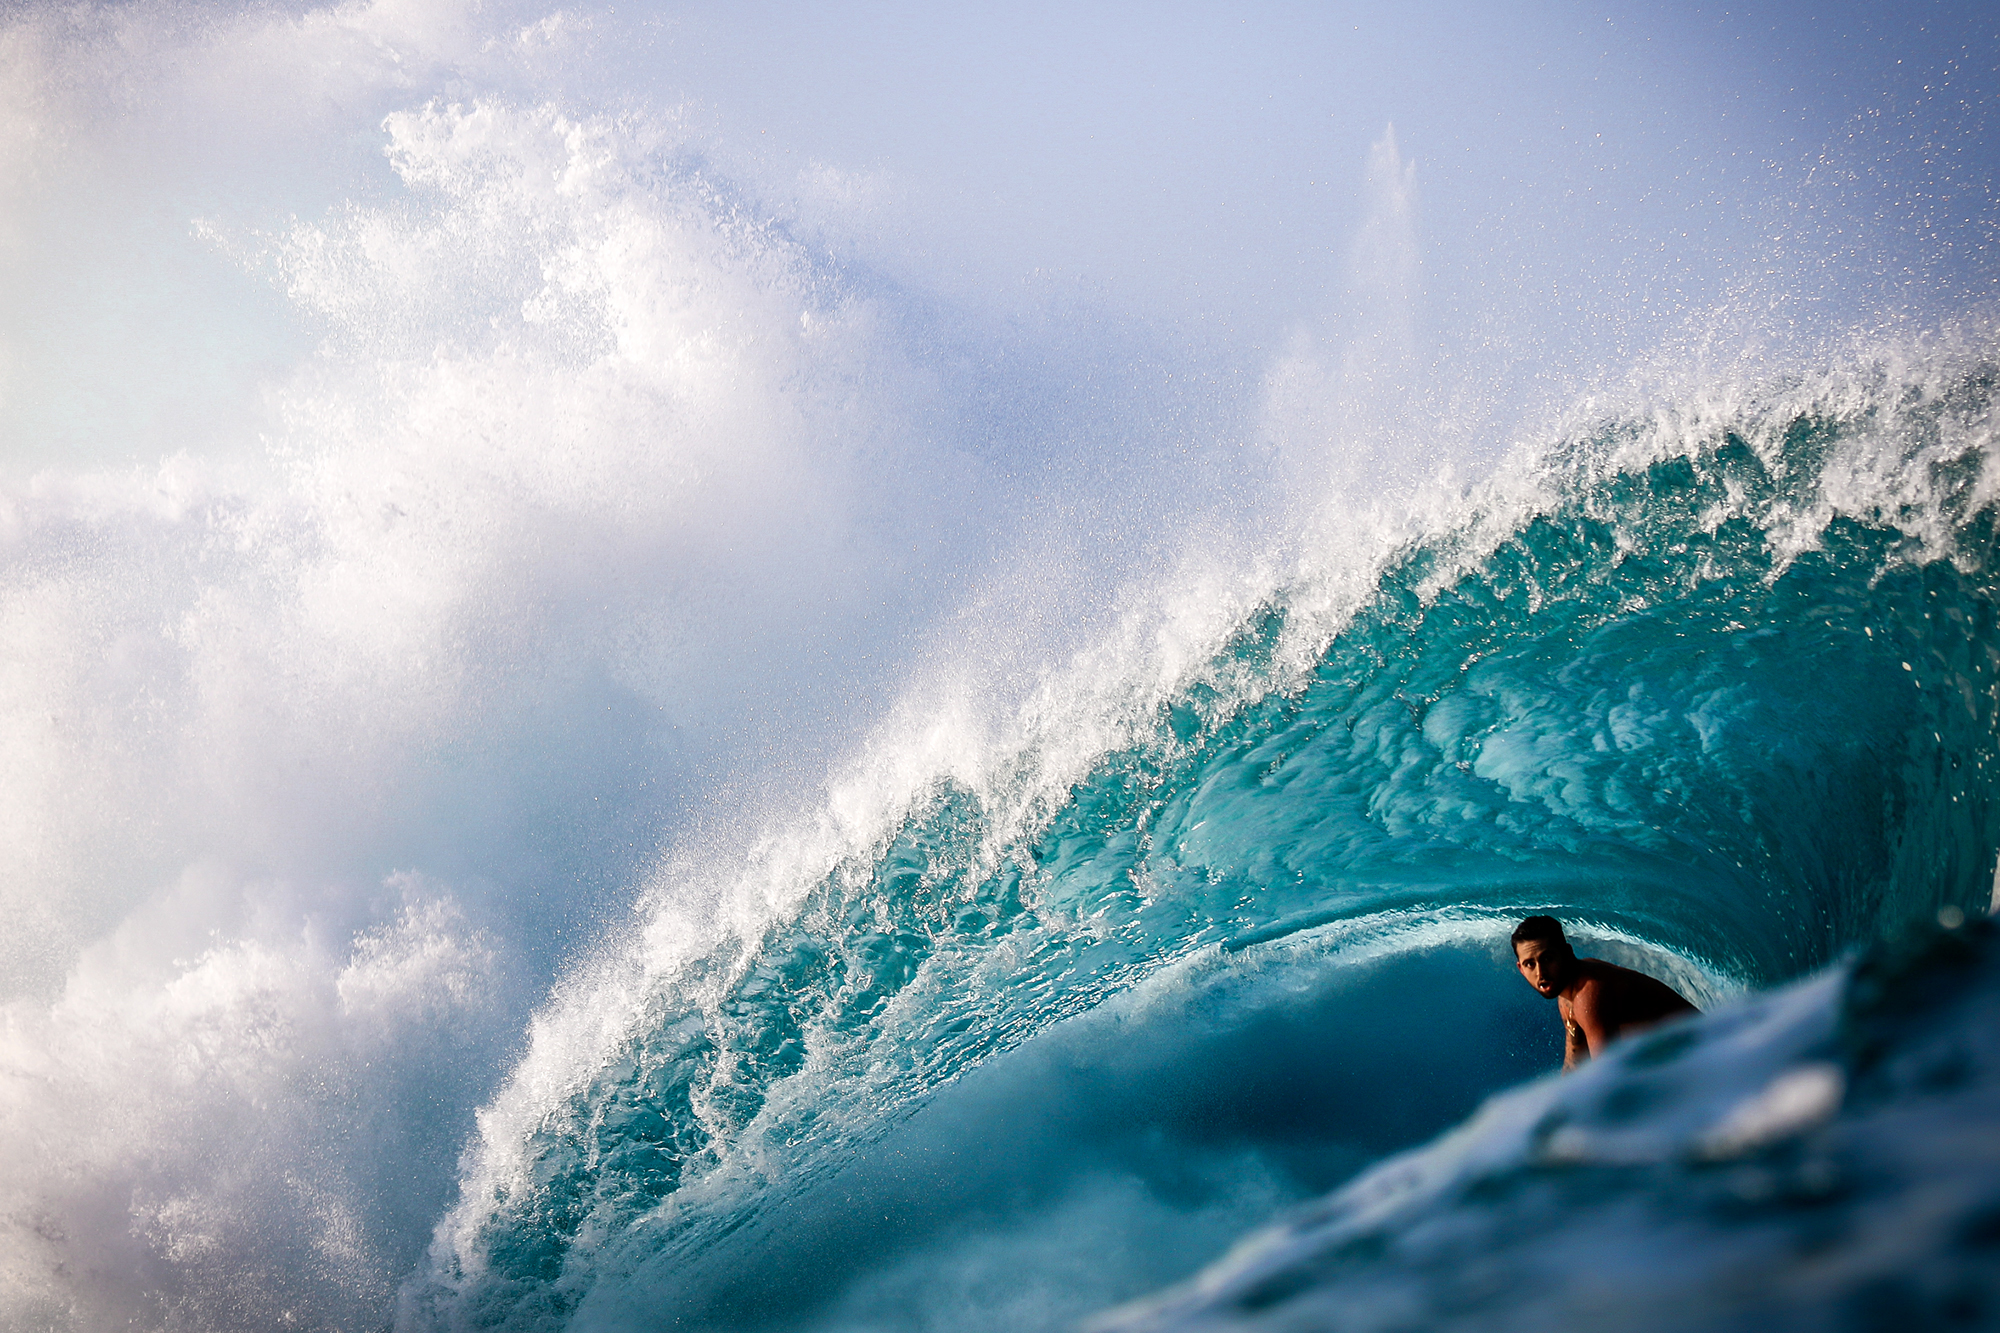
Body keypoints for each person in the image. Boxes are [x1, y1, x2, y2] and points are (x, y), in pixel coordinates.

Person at [1510, 915, 1697, 1071]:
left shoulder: (1588, 991)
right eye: (1530, 964)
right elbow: (1574, 1067)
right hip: (1679, 1062)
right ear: (1521, 969)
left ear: (1567, 953)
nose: (1540, 973)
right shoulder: (1567, 997)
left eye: (1547, 959)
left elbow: (1607, 1076)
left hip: (1701, 1056)